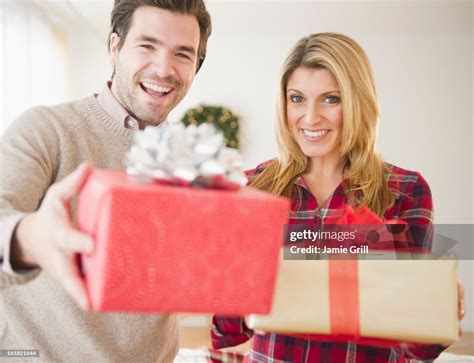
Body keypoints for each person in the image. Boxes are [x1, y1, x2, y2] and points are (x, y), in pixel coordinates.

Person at [211, 32, 465, 362]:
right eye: (297, 98)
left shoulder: (405, 190)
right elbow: (227, 333)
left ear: (357, 100)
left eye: (331, 99)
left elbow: (416, 346)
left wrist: (439, 310)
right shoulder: (253, 189)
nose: (311, 117)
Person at [0, 0, 211, 361]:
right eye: (147, 45)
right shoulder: (47, 130)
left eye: (182, 54)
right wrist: (29, 239)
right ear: (115, 47)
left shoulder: (191, 162)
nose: (164, 69)